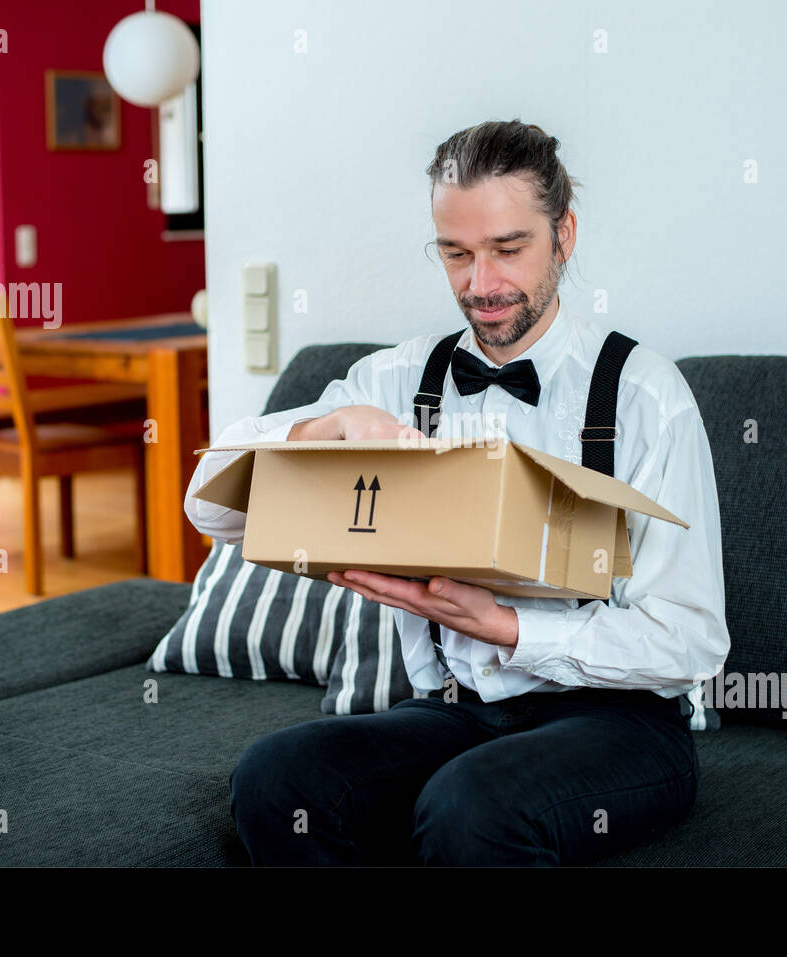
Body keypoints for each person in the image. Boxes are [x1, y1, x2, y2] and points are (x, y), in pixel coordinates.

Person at [184, 119, 730, 866]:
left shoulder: (646, 396)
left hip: (622, 725)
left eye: (509, 249)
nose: (482, 284)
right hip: (454, 712)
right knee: (276, 779)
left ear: (563, 234)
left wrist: (508, 626)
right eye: (456, 253)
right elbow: (210, 509)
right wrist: (330, 426)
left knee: (470, 806)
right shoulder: (397, 378)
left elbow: (693, 640)